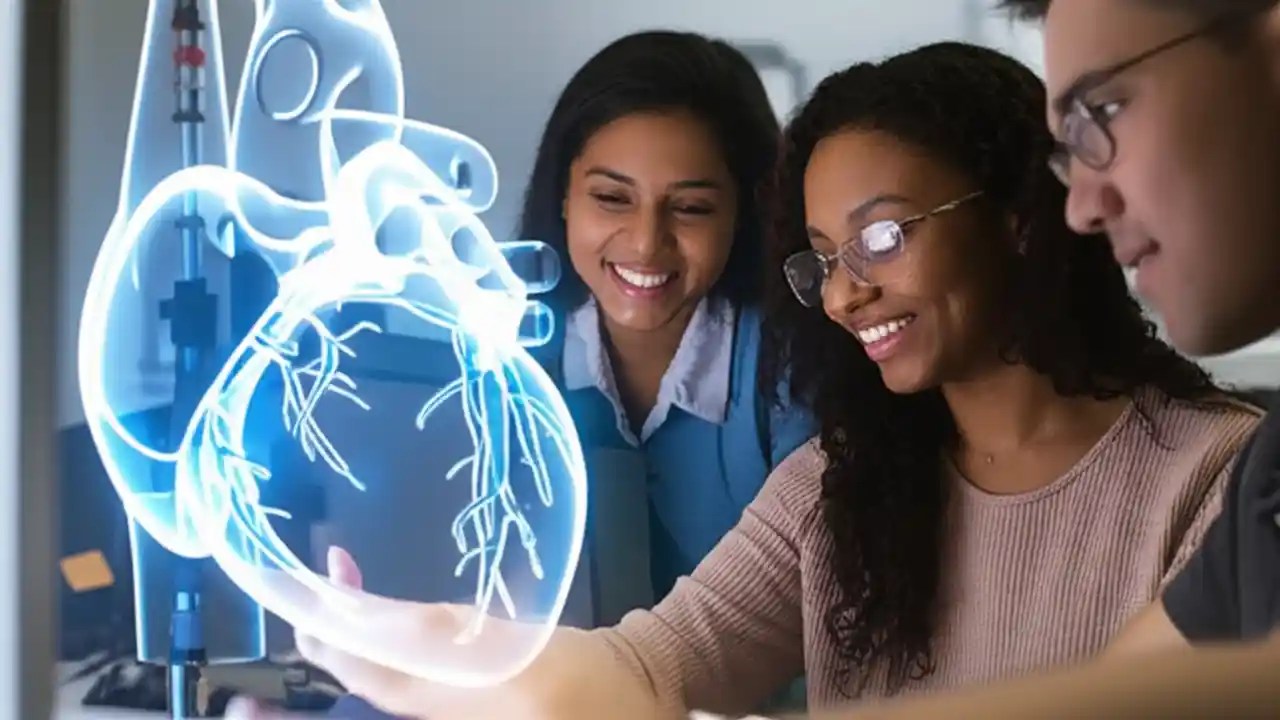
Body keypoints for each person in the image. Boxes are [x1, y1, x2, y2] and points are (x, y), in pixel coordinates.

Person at [227, 42, 1262, 720]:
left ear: (1020, 219)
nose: (849, 293)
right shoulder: (836, 483)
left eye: (884, 236)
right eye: (821, 258)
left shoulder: (1211, 477)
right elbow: (647, 668)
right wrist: (459, 654)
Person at [318, 29, 816, 719]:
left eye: (692, 207)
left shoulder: (796, 376)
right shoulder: (503, 361)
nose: (647, 242)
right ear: (562, 196)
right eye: (612, 198)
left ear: (746, 211)